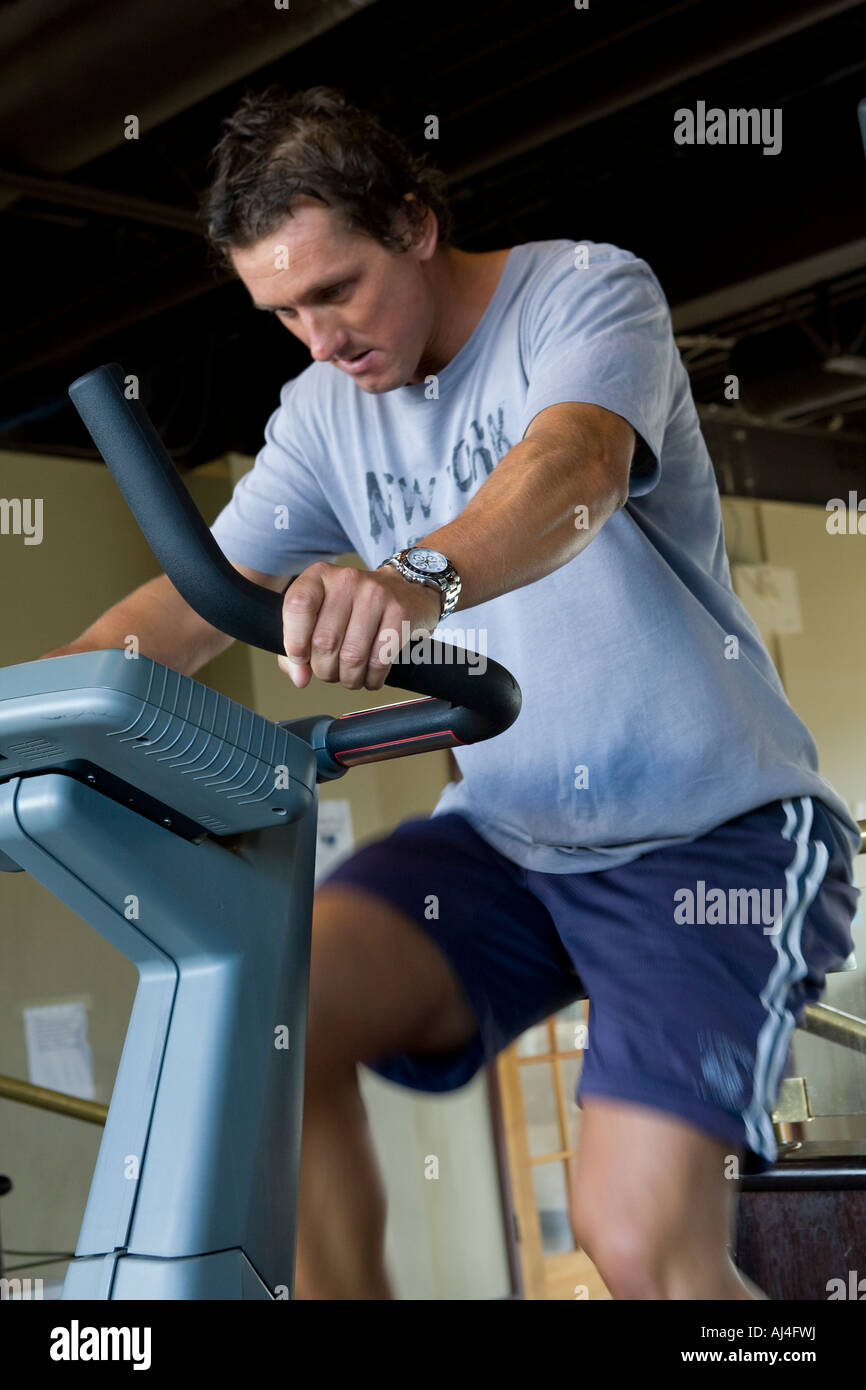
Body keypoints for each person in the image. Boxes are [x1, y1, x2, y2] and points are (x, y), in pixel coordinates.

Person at [43, 84, 862, 1301]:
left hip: (714, 838)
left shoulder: (583, 292)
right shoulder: (324, 412)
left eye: (335, 291)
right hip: (510, 843)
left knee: (636, 1244)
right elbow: (174, 614)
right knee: (273, 1015)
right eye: (282, 312)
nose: (319, 338)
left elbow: (571, 467)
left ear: (415, 223)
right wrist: (33, 717)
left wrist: (417, 579)